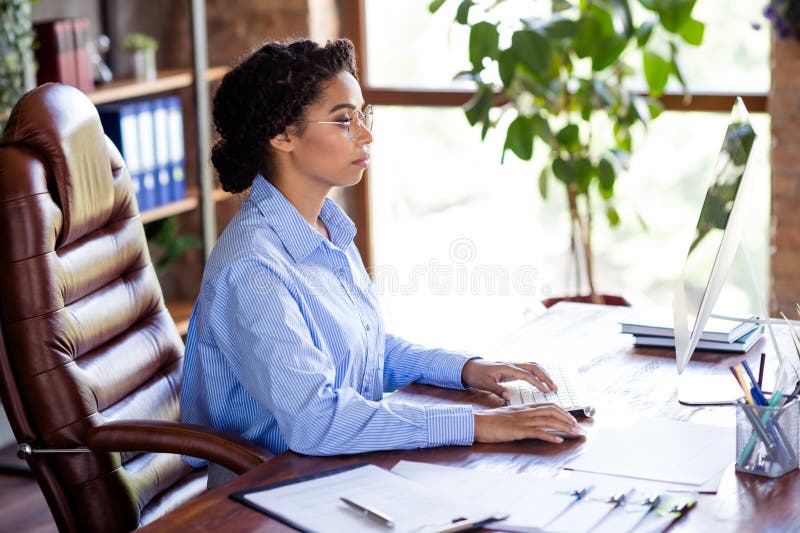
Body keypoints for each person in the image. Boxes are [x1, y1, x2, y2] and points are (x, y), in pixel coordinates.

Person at [180, 38, 584, 465]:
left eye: (363, 115)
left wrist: (468, 369)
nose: (366, 134)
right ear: (282, 134)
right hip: (269, 491)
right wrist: (478, 425)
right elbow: (316, 421)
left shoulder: (324, 228)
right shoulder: (253, 269)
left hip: (342, 465)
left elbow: (366, 351)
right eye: (343, 121)